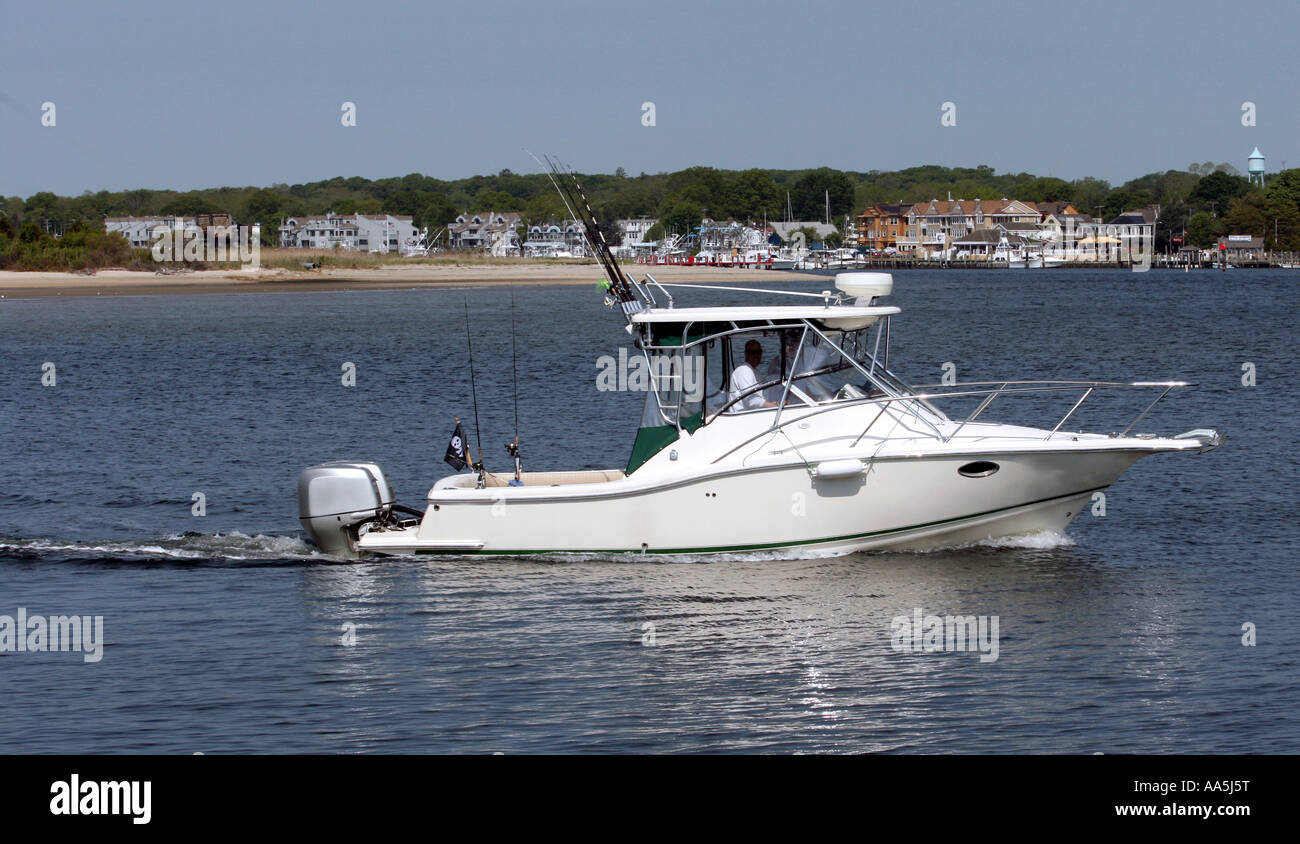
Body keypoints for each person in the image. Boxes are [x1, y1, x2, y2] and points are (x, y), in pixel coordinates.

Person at [729, 340, 776, 411]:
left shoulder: (756, 372)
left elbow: (761, 398)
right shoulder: (743, 370)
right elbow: (751, 400)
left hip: (753, 415)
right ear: (746, 354)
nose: (756, 356)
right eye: (752, 353)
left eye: (758, 352)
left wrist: (777, 403)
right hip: (742, 418)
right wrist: (774, 406)